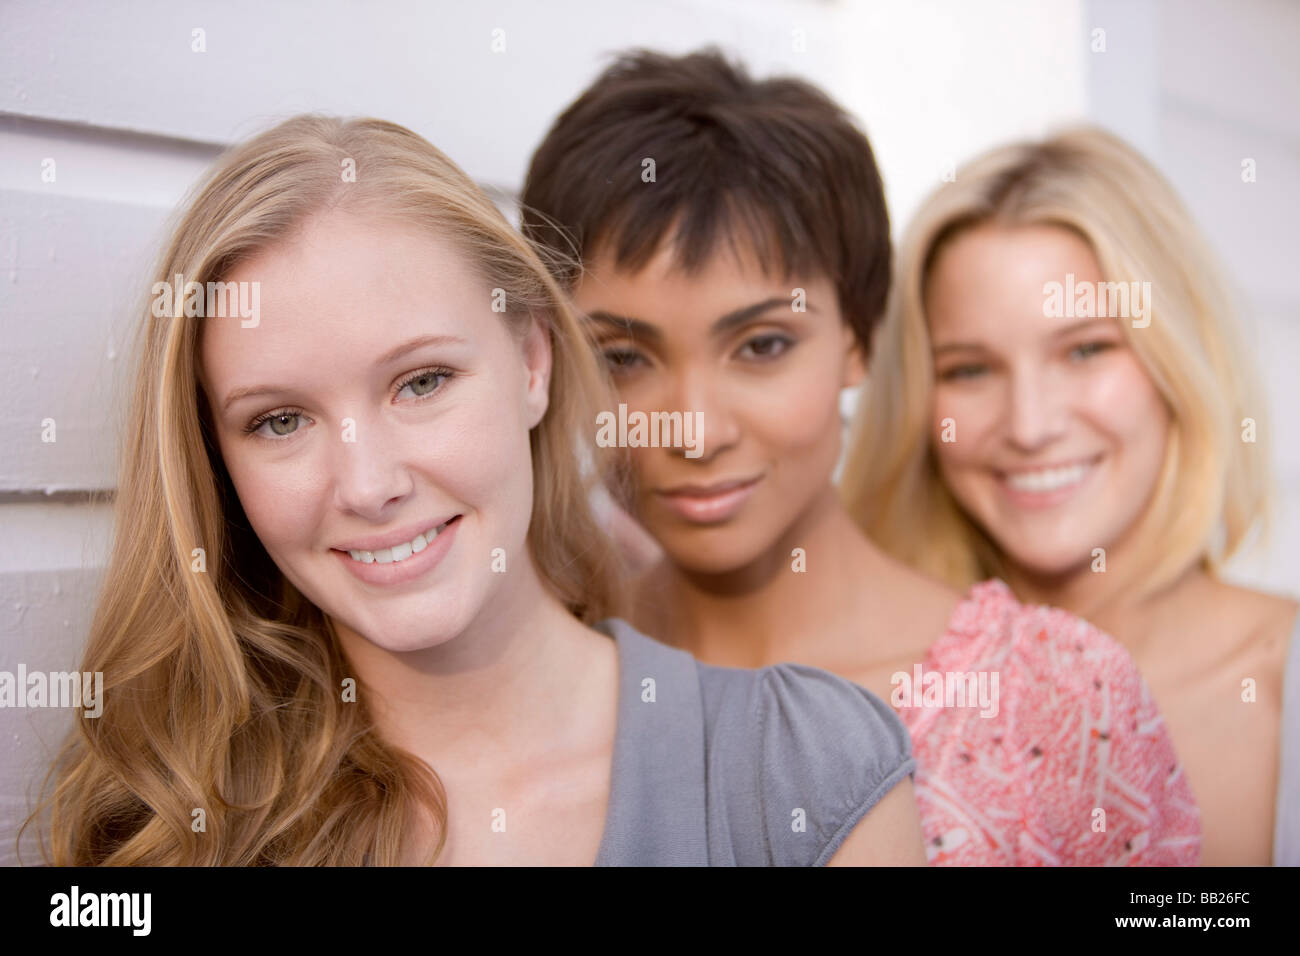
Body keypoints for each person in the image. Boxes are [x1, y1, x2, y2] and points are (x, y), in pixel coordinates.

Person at [21, 114, 924, 866]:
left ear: (532, 362)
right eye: (279, 421)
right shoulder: (161, 826)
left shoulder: (803, 772)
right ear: (216, 459)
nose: (370, 486)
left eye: (421, 383)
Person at [521, 48, 1201, 864]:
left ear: (858, 339)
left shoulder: (1059, 700)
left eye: (763, 344)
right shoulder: (519, 671)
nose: (695, 432)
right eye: (624, 358)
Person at [840, 125, 1300, 865]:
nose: (1030, 426)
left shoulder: (1283, 677)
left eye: (1086, 350)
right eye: (969, 370)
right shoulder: (864, 692)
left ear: (1179, 359)